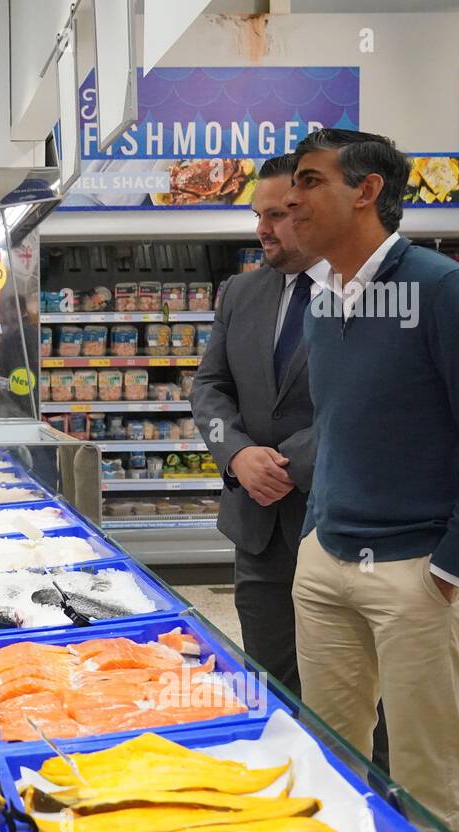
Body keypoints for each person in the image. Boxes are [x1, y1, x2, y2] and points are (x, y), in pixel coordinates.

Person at [285, 128, 459, 832]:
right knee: (327, 761)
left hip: (416, 572)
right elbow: (339, 423)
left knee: (426, 774)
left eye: (310, 181)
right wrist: (314, 535)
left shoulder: (447, 292)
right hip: (327, 564)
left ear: (367, 192)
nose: (292, 198)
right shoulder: (324, 297)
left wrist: (450, 566)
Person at [191, 154, 327, 703]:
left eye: (277, 215)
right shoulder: (242, 293)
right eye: (258, 215)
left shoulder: (366, 292)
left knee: (366, 701)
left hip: (333, 522)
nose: (261, 229)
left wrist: (292, 464)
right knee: (270, 685)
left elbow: (371, 403)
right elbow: (209, 387)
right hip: (257, 528)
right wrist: (238, 454)